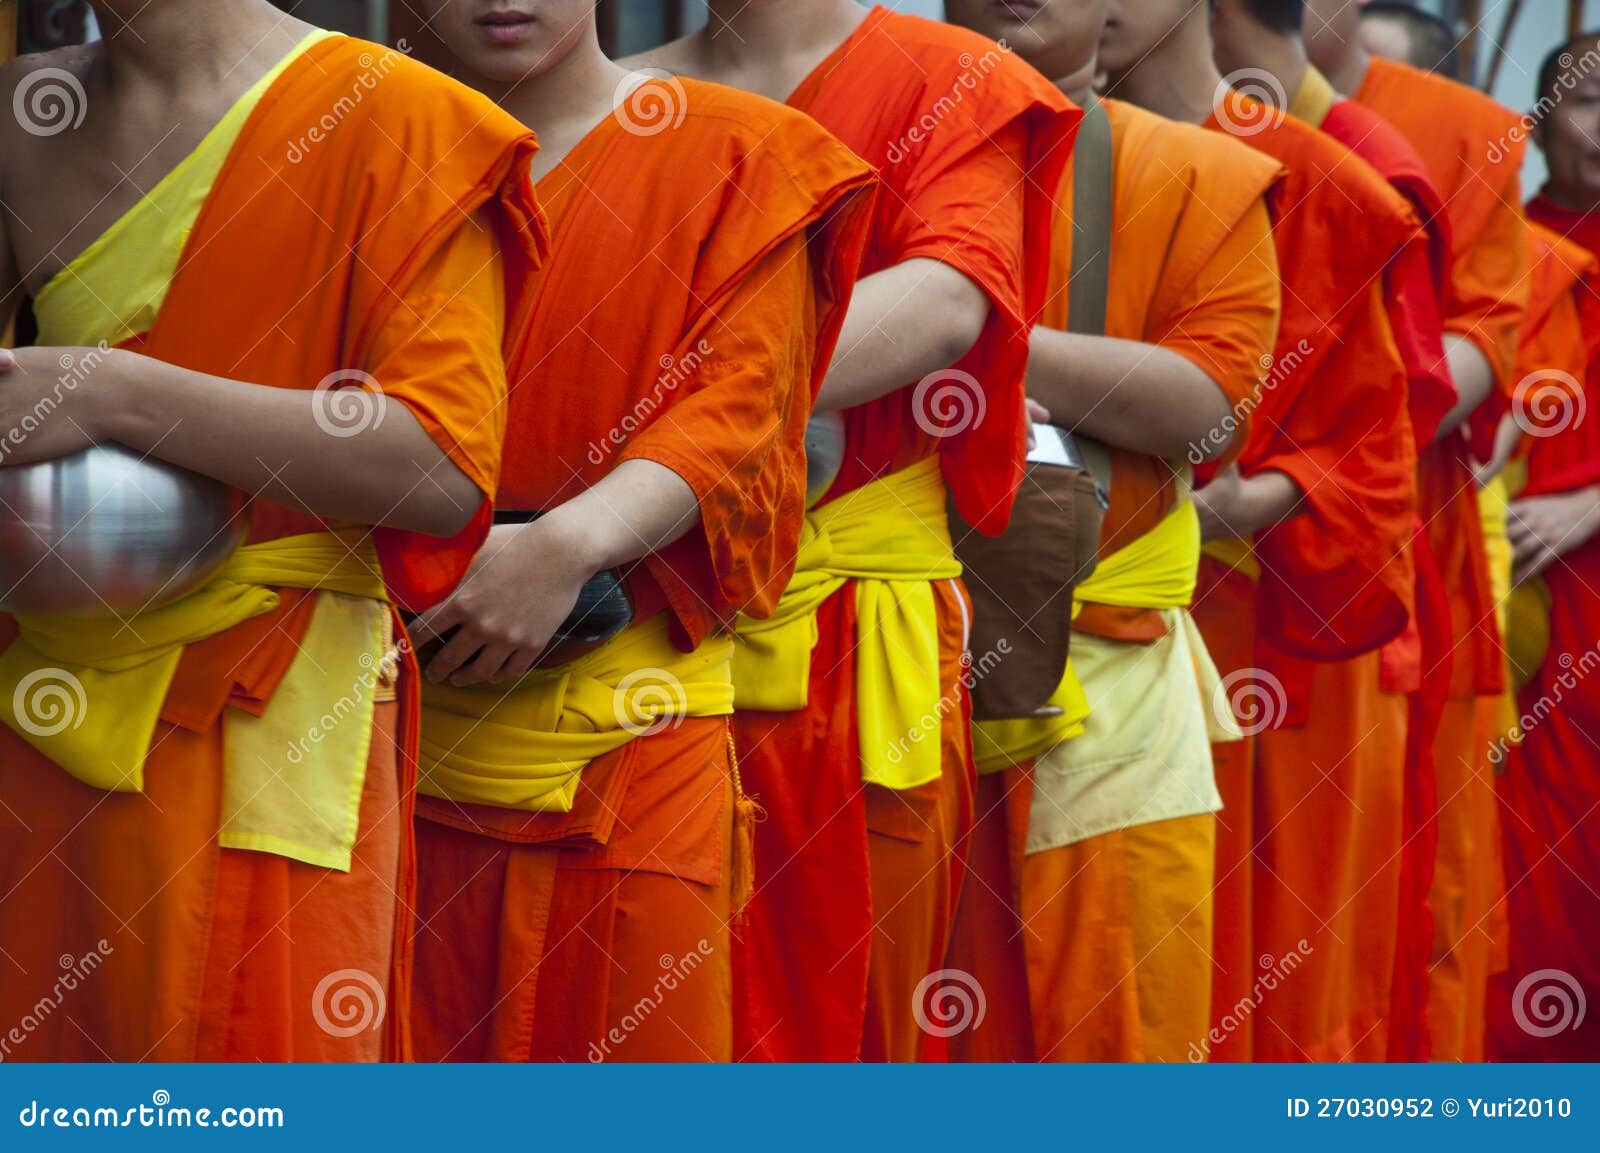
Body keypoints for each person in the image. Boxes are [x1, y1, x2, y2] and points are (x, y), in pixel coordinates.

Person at [0, 0, 543, 1060]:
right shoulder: (25, 115)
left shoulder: (400, 115)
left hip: (263, 711)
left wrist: (117, 394)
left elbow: (438, 467)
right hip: (40, 692)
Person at [407, 0, 876, 1062]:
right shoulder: (361, 148)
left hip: (628, 727)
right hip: (378, 726)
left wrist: (566, 546)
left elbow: (740, 404)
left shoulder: (737, 152)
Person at [626, 1, 1078, 1062]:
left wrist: (665, 412)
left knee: (842, 1013)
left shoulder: (950, 78)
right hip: (632, 613)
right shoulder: (622, 94)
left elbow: (948, 297)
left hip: (843, 636)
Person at [942, 0, 1281, 1063]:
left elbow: (1209, 405)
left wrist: (971, 335)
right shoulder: (873, 145)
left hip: (1109, 663)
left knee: (1118, 1022)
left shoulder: (1198, 174)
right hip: (886, 648)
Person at [1108, 0, 1421, 1062]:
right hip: (1061, 619)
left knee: (1272, 954)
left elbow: (1380, 442)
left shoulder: (1321, 182)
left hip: (1265, 612)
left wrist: (1260, 497)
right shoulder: (1033, 157)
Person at [1210, 0, 1458, 1063]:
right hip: (1197, 592)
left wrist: (1242, 499)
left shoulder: (1354, 168)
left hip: (1308, 589)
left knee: (1303, 935)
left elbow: (1390, 422)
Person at [1307, 0, 1532, 1062]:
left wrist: (1328, 450)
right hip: (1193, 549)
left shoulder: (1455, 130)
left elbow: (1489, 332)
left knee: (1413, 884)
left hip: (1397, 546)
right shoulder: (1154, 103)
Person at [1491, 31, 1600, 1060]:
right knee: (1534, 879)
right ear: (1534, 122)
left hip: (1585, 559)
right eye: (1585, 102)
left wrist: (1591, 504)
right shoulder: (1501, 255)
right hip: (1520, 606)